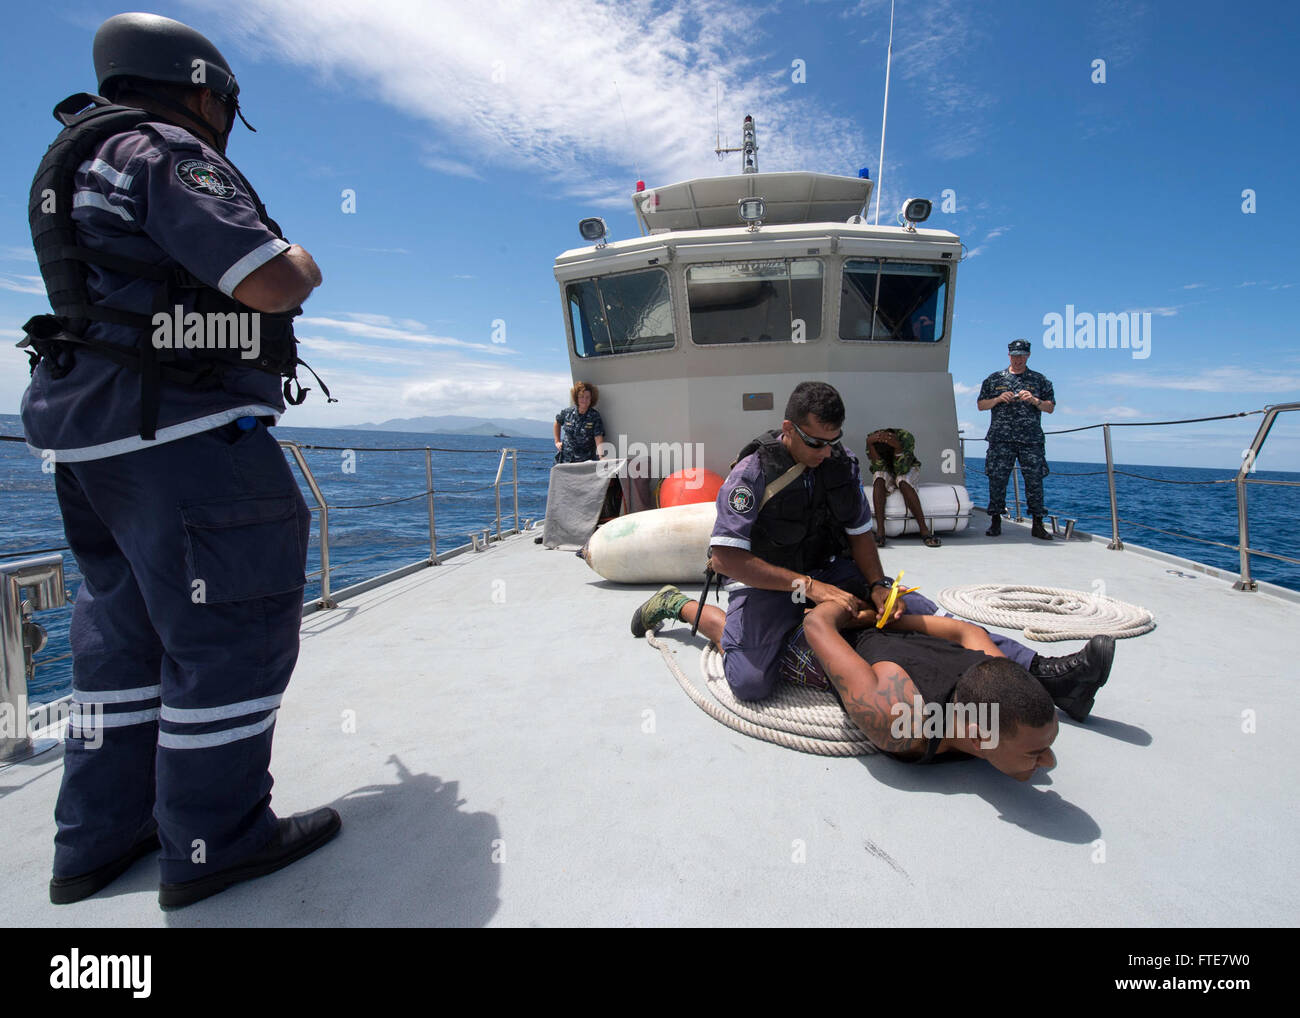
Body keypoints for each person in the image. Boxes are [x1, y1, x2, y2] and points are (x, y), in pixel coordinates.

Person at [21, 12, 339, 910]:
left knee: (121, 640)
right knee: (230, 632)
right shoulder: (163, 151)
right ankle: (216, 842)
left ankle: (97, 841)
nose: (227, 119)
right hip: (185, 437)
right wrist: (304, 261)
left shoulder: (80, 157)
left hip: (92, 444)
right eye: (227, 102)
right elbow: (270, 279)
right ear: (203, 87)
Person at [628, 382, 1112, 701]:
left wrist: (877, 584)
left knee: (917, 609)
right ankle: (682, 609)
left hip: (831, 569)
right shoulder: (750, 475)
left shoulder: (840, 465)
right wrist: (810, 590)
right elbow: (727, 558)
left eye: (834, 441)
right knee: (751, 682)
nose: (825, 452)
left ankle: (1047, 672)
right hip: (771, 583)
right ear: (789, 430)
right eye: (815, 442)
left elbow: (860, 535)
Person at [800, 604, 1067, 780]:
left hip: (884, 629)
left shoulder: (999, 677)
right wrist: (857, 613)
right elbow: (816, 624)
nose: (1050, 762)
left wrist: (885, 621)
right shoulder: (899, 722)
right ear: (977, 737)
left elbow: (967, 631)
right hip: (838, 618)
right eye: (1035, 753)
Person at [977, 338, 1055, 539]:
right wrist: (997, 399)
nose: (1018, 359)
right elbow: (981, 405)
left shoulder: (1040, 380)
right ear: (1009, 355)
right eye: (1014, 355)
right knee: (997, 480)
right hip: (1001, 439)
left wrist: (1035, 400)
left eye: (1021, 356)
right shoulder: (994, 379)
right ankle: (995, 521)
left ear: (1028, 356)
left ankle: (1038, 524)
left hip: (1031, 440)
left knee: (1035, 482)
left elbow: (1050, 407)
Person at [866, 427, 940, 548]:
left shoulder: (906, 437)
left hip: (907, 465)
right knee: (879, 478)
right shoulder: (872, 439)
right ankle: (880, 531)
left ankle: (924, 530)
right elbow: (877, 466)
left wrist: (898, 448)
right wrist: (869, 444)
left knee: (902, 481)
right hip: (886, 467)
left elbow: (902, 469)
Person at [553, 381, 605, 463]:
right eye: (581, 396)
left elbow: (598, 437)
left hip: (584, 462)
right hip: (565, 460)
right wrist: (557, 441)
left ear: (591, 399)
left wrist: (601, 457)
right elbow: (557, 422)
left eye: (587, 397)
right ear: (576, 398)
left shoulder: (594, 416)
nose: (584, 400)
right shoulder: (568, 412)